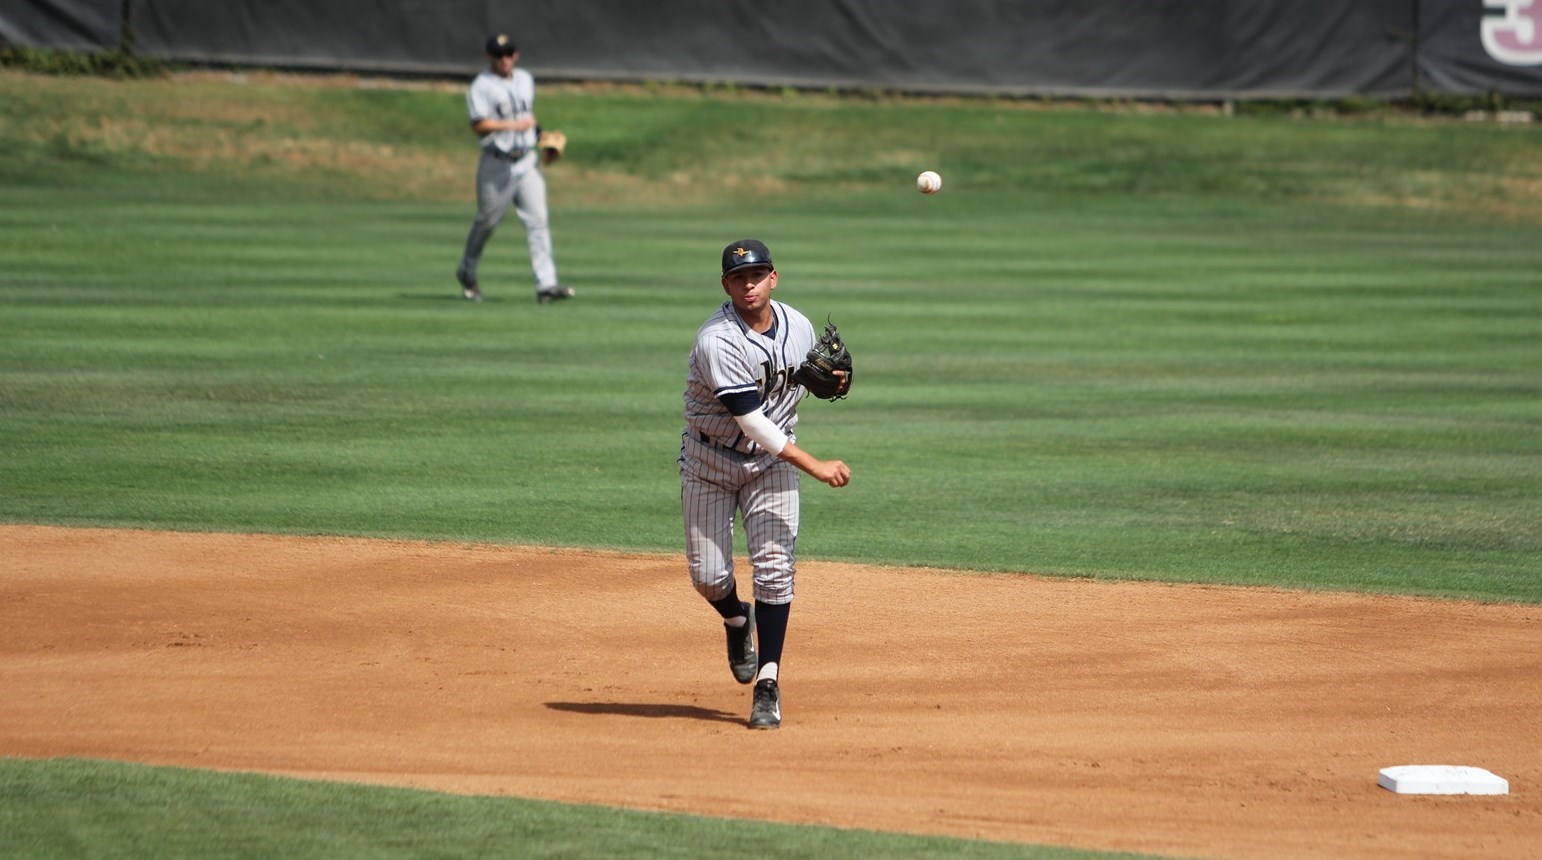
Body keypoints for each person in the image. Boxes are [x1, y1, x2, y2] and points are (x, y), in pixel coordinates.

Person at [679, 239, 852, 730]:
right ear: (726, 285)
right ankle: (737, 618)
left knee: (775, 568)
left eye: (756, 275)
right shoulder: (717, 340)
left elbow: (798, 376)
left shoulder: (798, 326)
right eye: (738, 278)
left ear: (773, 277)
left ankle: (768, 684)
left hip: (772, 468)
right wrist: (814, 464)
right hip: (709, 462)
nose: (748, 284)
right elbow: (753, 423)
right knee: (708, 578)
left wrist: (829, 382)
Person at [454, 33, 574, 305]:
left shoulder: (525, 79)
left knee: (538, 220)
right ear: (489, 57)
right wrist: (513, 126)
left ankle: (546, 285)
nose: (504, 60)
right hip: (496, 162)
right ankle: (466, 271)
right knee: (486, 222)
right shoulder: (481, 86)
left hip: (526, 161)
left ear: (515, 55)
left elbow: (527, 120)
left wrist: (544, 140)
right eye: (498, 55)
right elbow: (478, 125)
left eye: (508, 54)